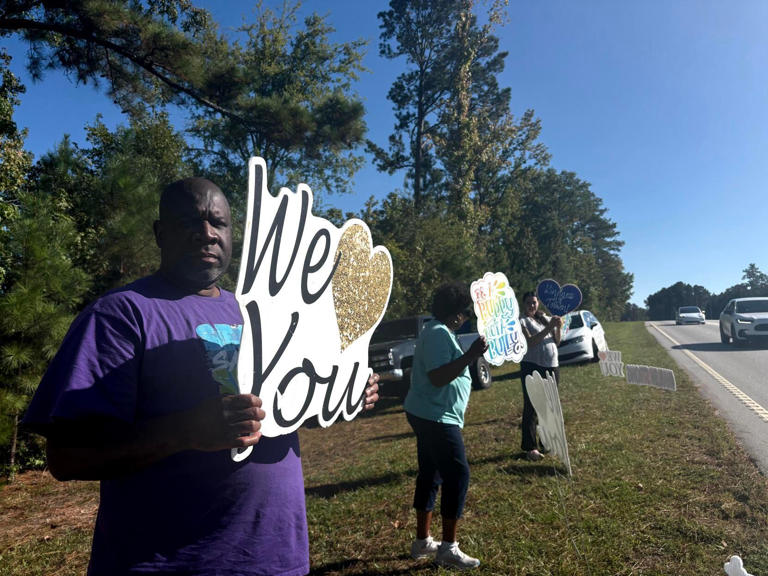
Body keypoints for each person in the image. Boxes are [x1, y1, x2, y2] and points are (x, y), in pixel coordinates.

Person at [22, 177, 380, 576]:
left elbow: (283, 410)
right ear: (160, 233)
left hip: (277, 559)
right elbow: (67, 457)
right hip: (172, 564)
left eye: (218, 223)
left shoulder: (258, 313)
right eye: (189, 222)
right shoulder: (121, 316)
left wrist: (338, 393)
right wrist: (185, 432)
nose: (207, 233)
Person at [402, 281, 488, 570]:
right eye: (464, 312)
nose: (465, 317)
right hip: (436, 416)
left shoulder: (437, 331)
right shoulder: (439, 333)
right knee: (458, 474)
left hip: (428, 412)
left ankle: (423, 541)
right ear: (454, 313)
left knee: (431, 473)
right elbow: (439, 376)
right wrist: (471, 354)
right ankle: (448, 548)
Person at [518, 291, 563, 461]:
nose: (532, 305)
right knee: (532, 406)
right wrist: (550, 327)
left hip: (552, 365)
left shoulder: (545, 318)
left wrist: (557, 327)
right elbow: (529, 342)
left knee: (549, 405)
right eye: (529, 303)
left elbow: (557, 341)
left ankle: (547, 441)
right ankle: (530, 447)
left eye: (534, 302)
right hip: (532, 365)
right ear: (524, 304)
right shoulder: (521, 321)